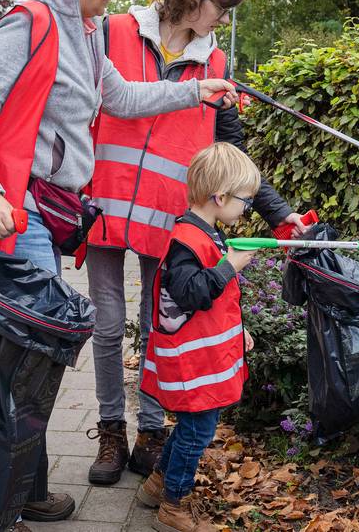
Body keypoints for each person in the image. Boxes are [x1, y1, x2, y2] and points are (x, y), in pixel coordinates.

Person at [0, 0, 236, 530]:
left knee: (32, 360)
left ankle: (22, 491)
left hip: (50, 212)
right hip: (22, 215)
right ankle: (8, 499)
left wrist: (195, 92)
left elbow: (122, 98)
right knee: (28, 360)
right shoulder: (26, 26)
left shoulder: (85, 30)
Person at [84, 0, 304, 485]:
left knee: (162, 325)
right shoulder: (112, 31)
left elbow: (233, 156)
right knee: (108, 324)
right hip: (105, 206)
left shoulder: (217, 66)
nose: (224, 19)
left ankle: (151, 431)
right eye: (221, 7)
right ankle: (111, 426)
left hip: (168, 219)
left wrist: (280, 215)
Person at [134, 142, 259, 532]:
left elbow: (210, 304)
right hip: (192, 367)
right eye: (246, 201)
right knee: (197, 432)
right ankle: (174, 505)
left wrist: (239, 330)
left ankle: (157, 485)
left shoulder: (204, 233)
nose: (247, 209)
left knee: (190, 427)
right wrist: (228, 267)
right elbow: (192, 293)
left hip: (203, 362)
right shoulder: (187, 242)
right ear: (220, 197)